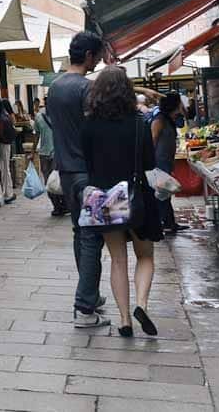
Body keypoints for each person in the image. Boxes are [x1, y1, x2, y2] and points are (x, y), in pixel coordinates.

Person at [82, 66, 161, 338]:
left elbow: (87, 162)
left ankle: (125, 320)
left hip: (106, 198)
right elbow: (150, 162)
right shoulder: (139, 122)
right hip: (137, 194)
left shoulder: (89, 122)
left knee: (117, 259)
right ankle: (141, 303)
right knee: (145, 256)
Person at [48, 31, 108, 328]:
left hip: (67, 173)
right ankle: (85, 307)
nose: (97, 62)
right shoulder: (88, 88)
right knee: (92, 237)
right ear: (88, 56)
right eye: (97, 56)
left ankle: (91, 295)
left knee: (79, 233)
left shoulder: (54, 87)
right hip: (90, 174)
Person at [151, 92, 189, 235]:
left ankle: (169, 222)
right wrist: (149, 162)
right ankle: (165, 223)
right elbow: (152, 139)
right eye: (179, 103)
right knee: (162, 193)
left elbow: (186, 117)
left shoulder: (170, 118)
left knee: (165, 193)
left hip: (166, 160)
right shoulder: (159, 119)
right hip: (158, 161)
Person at [34, 97, 64, 216]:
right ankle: (57, 205)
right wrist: (32, 152)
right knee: (50, 183)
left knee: (57, 180)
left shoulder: (61, 117)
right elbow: (36, 135)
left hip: (57, 154)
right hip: (46, 154)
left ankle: (61, 205)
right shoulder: (39, 117)